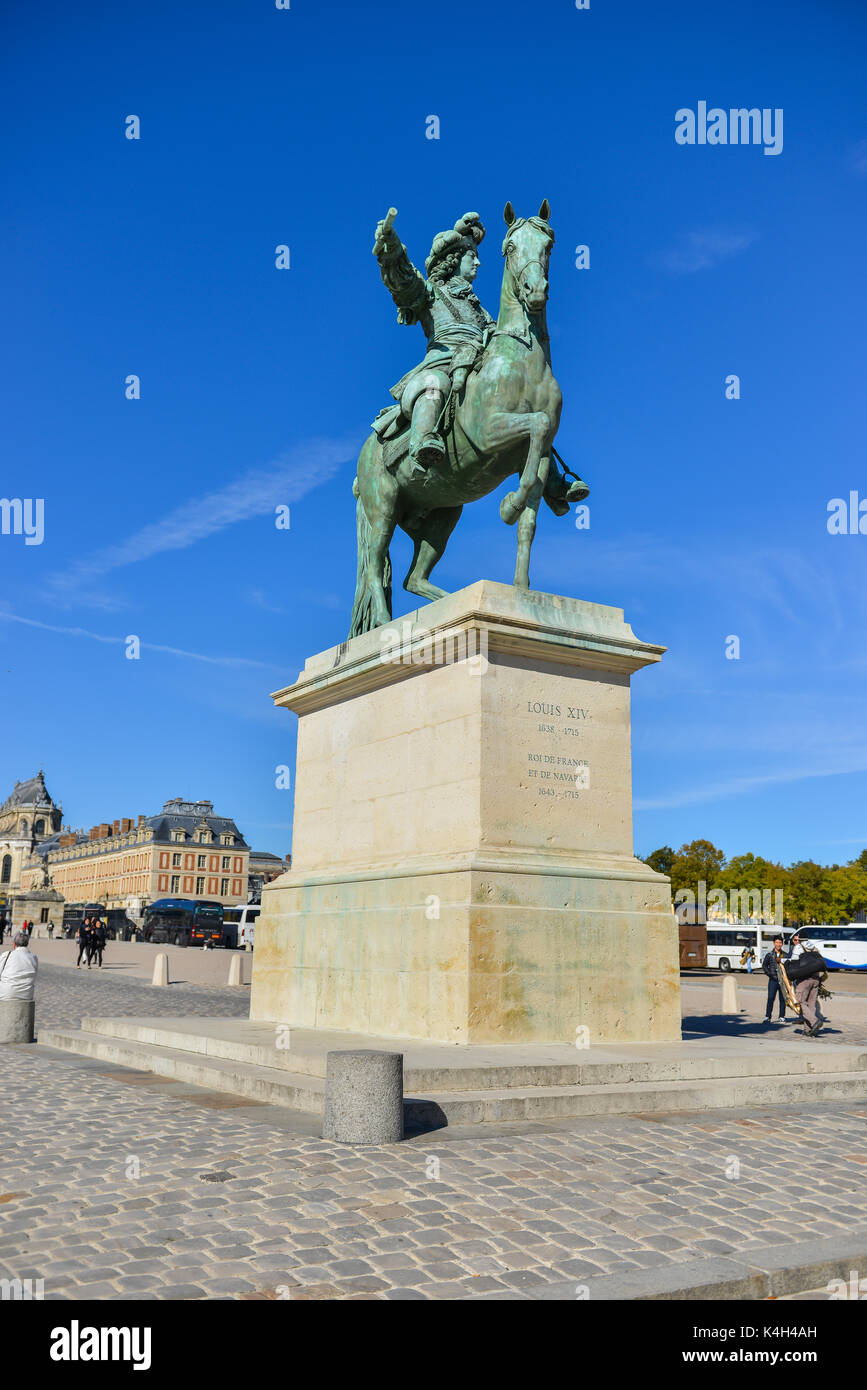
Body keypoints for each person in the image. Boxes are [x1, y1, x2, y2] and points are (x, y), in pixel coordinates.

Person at [788, 930, 825, 1036]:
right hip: (816, 979)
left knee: (800, 1001)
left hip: (805, 980)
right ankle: (808, 1029)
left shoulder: (799, 947)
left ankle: (814, 1021)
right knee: (811, 1004)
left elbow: (794, 963)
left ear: (799, 938)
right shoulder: (813, 947)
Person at [0, 931, 38, 1002]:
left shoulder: (7, 955)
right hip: (27, 995)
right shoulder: (34, 957)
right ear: (27, 944)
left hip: (7, 993)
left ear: (14, 944)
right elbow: (34, 976)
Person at [761, 935, 788, 1023]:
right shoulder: (769, 955)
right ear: (773, 943)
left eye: (780, 942)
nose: (778, 944)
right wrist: (769, 974)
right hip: (773, 980)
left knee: (782, 999)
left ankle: (782, 1016)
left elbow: (789, 967)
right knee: (770, 998)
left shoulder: (785, 955)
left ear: (782, 944)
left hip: (782, 981)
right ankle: (767, 1017)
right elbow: (764, 966)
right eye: (777, 942)